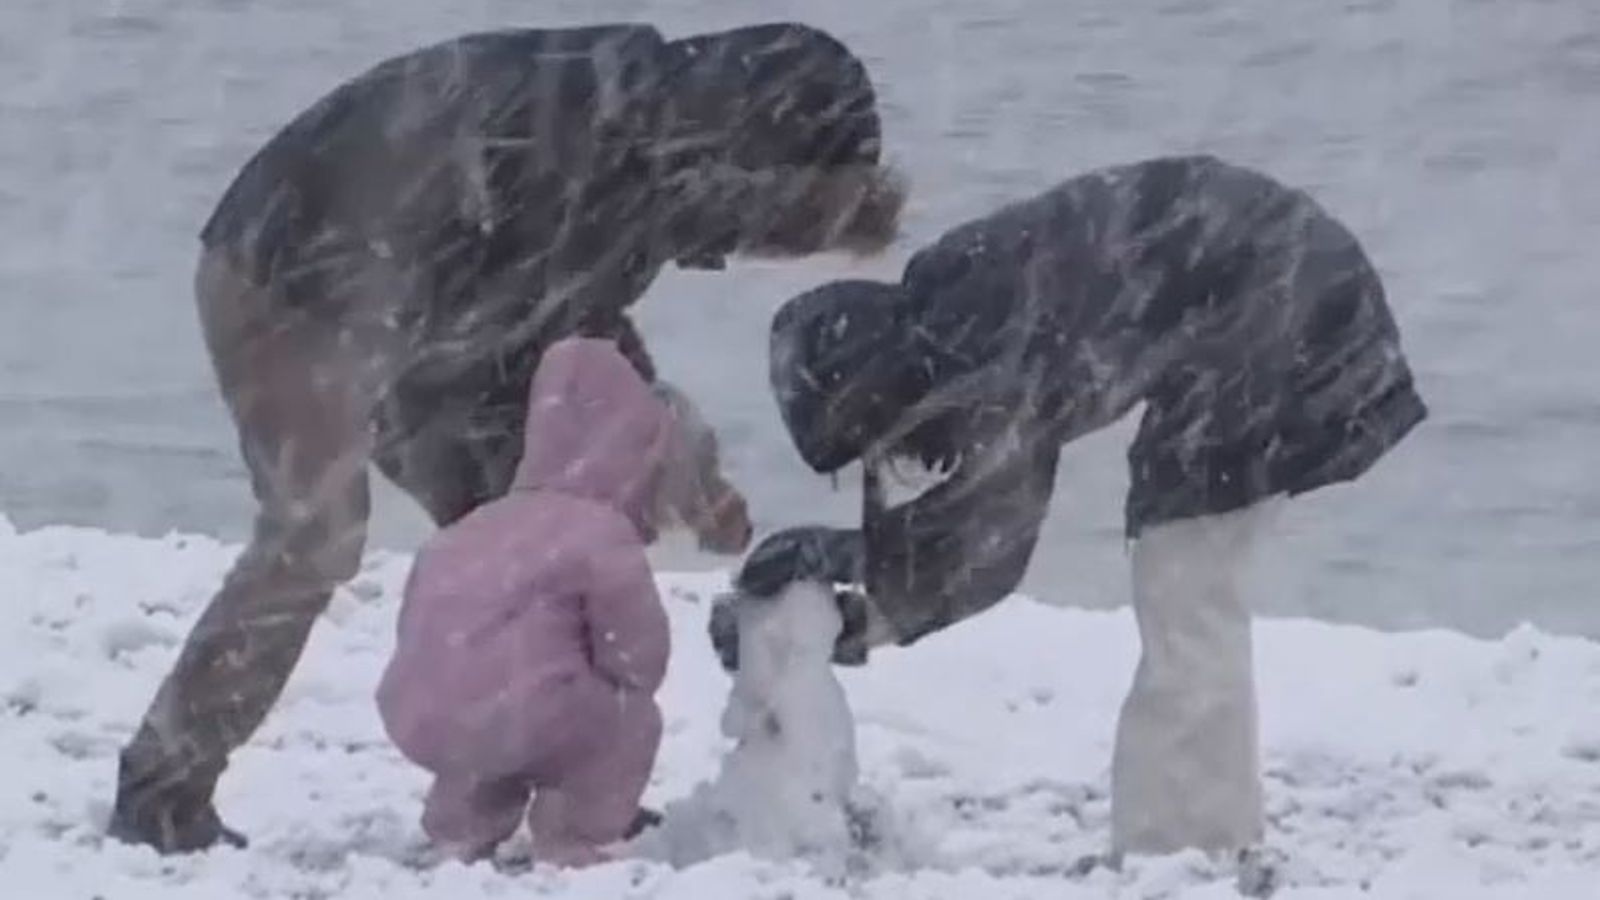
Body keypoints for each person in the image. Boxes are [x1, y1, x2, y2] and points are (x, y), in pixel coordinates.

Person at [112, 21, 904, 853]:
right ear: (760, 155)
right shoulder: (602, 144)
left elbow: (575, 346)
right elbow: (580, 342)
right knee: (315, 534)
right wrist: (681, 470)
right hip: (290, 274)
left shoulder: (658, 143)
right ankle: (161, 790)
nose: (755, 248)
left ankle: (572, 782)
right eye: (790, 218)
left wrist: (673, 472)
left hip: (433, 304)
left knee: (539, 536)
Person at [717, 155, 1427, 859]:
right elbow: (978, 533)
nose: (900, 457)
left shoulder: (975, 335)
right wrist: (857, 615)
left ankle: (1184, 852)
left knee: (1185, 585)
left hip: (1277, 301)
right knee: (1187, 582)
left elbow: (992, 542)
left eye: (877, 442)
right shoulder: (950, 319)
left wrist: (848, 589)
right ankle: (1200, 842)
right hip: (1271, 288)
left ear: (874, 393)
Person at [377, 338, 711, 867]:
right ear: (636, 461)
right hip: (520, 715)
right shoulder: (601, 532)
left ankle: (460, 827)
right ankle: (573, 833)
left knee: (494, 711)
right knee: (627, 718)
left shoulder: (480, 522)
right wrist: (623, 681)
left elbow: (422, 623)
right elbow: (636, 656)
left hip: (420, 715)